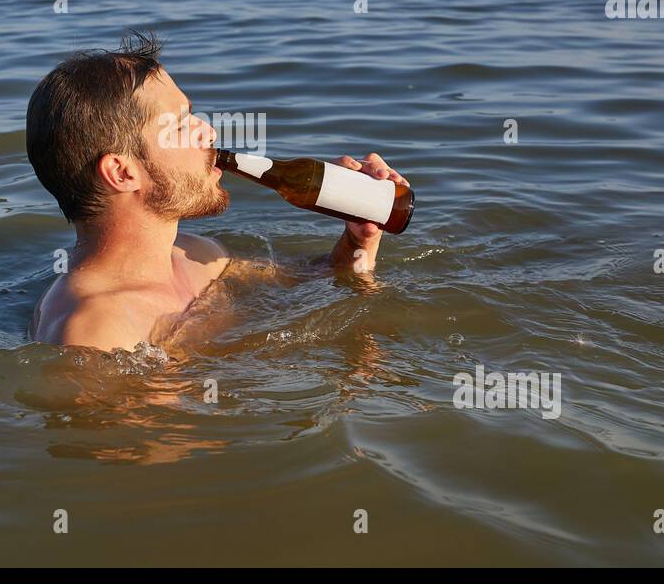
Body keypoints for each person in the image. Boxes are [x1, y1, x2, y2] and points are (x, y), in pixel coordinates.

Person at [25, 31, 408, 351]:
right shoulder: (94, 330)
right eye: (179, 125)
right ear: (122, 173)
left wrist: (360, 237)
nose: (208, 132)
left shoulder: (197, 255)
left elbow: (320, 279)